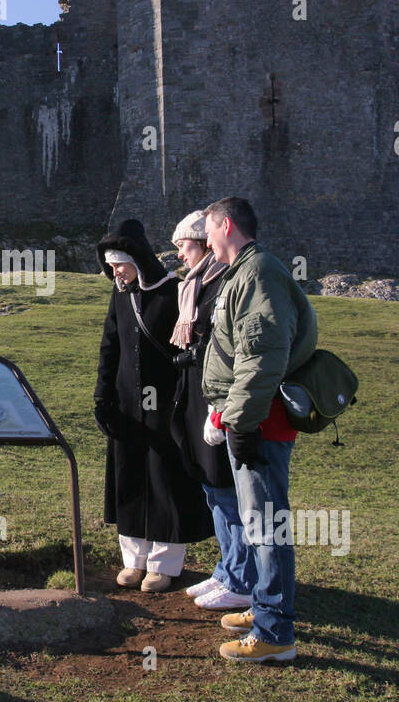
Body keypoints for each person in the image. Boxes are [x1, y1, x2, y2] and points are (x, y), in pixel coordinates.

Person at [200, 197, 317, 663]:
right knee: (258, 523)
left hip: (261, 421)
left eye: (209, 230)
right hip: (253, 418)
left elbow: (263, 356)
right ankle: (264, 605)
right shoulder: (248, 272)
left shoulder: (258, 274)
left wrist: (242, 422)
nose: (207, 240)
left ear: (226, 225)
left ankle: (274, 635)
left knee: (268, 527)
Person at [94, 219, 212, 592]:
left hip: (167, 404)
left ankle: (163, 563)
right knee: (129, 475)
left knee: (166, 479)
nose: (115, 272)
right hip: (128, 403)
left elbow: (191, 347)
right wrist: (103, 395)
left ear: (139, 261)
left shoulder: (175, 291)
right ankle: (134, 559)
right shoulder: (120, 295)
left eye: (120, 265)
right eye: (111, 267)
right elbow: (109, 346)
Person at [166, 211, 254, 612]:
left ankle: (242, 577)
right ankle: (227, 569)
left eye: (183, 247)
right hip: (199, 396)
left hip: (218, 402)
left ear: (202, 243)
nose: (179, 255)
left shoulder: (221, 284)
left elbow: (232, 343)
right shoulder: (197, 284)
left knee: (226, 489)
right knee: (213, 489)